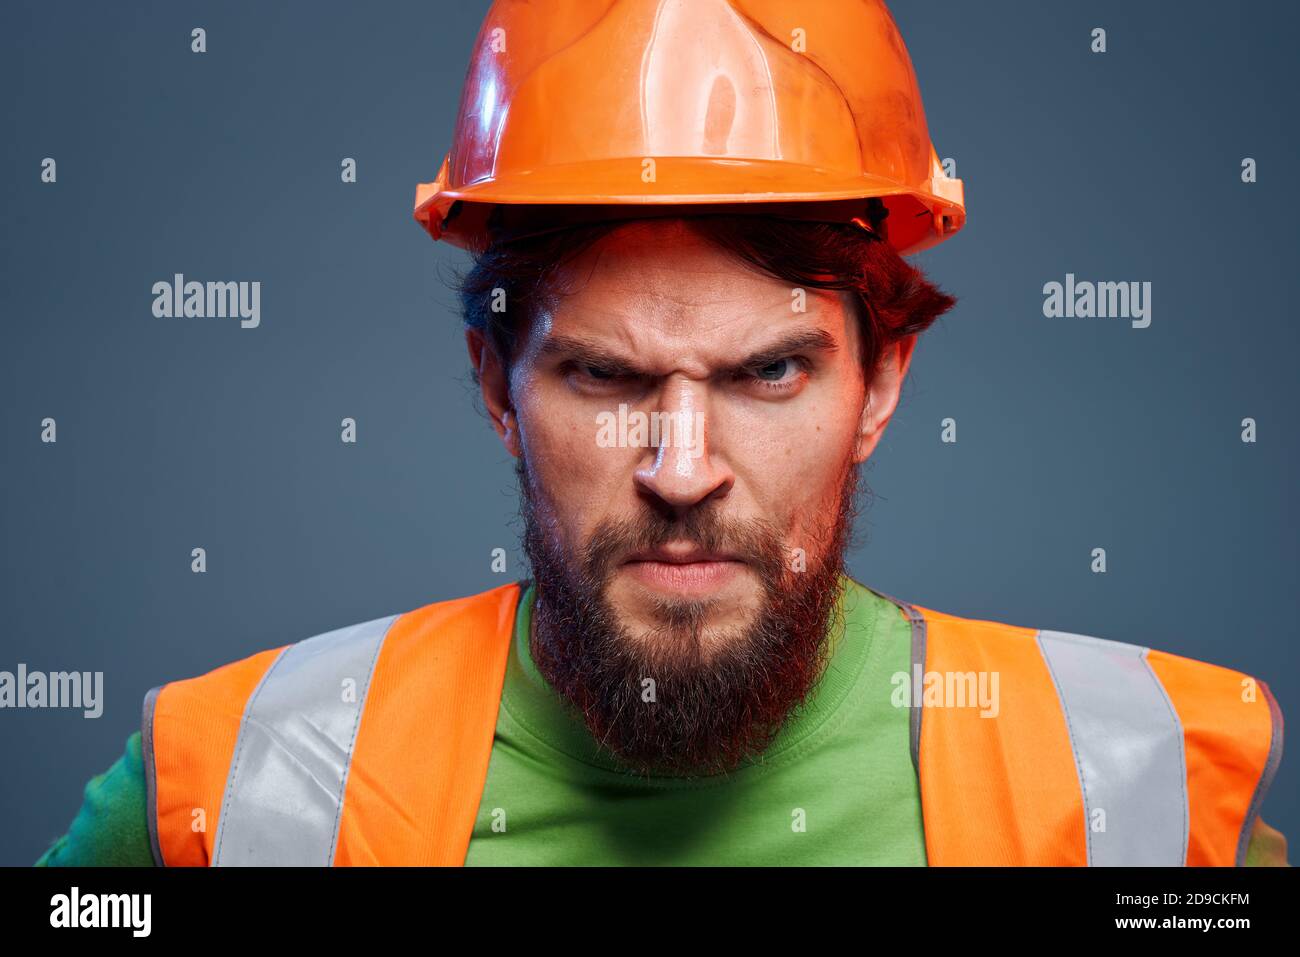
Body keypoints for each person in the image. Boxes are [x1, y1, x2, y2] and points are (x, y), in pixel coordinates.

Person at [38, 0, 1285, 867]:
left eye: (770, 372)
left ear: (882, 383)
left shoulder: (1144, 789)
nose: (681, 469)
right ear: (494, 384)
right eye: (600, 376)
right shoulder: (228, 781)